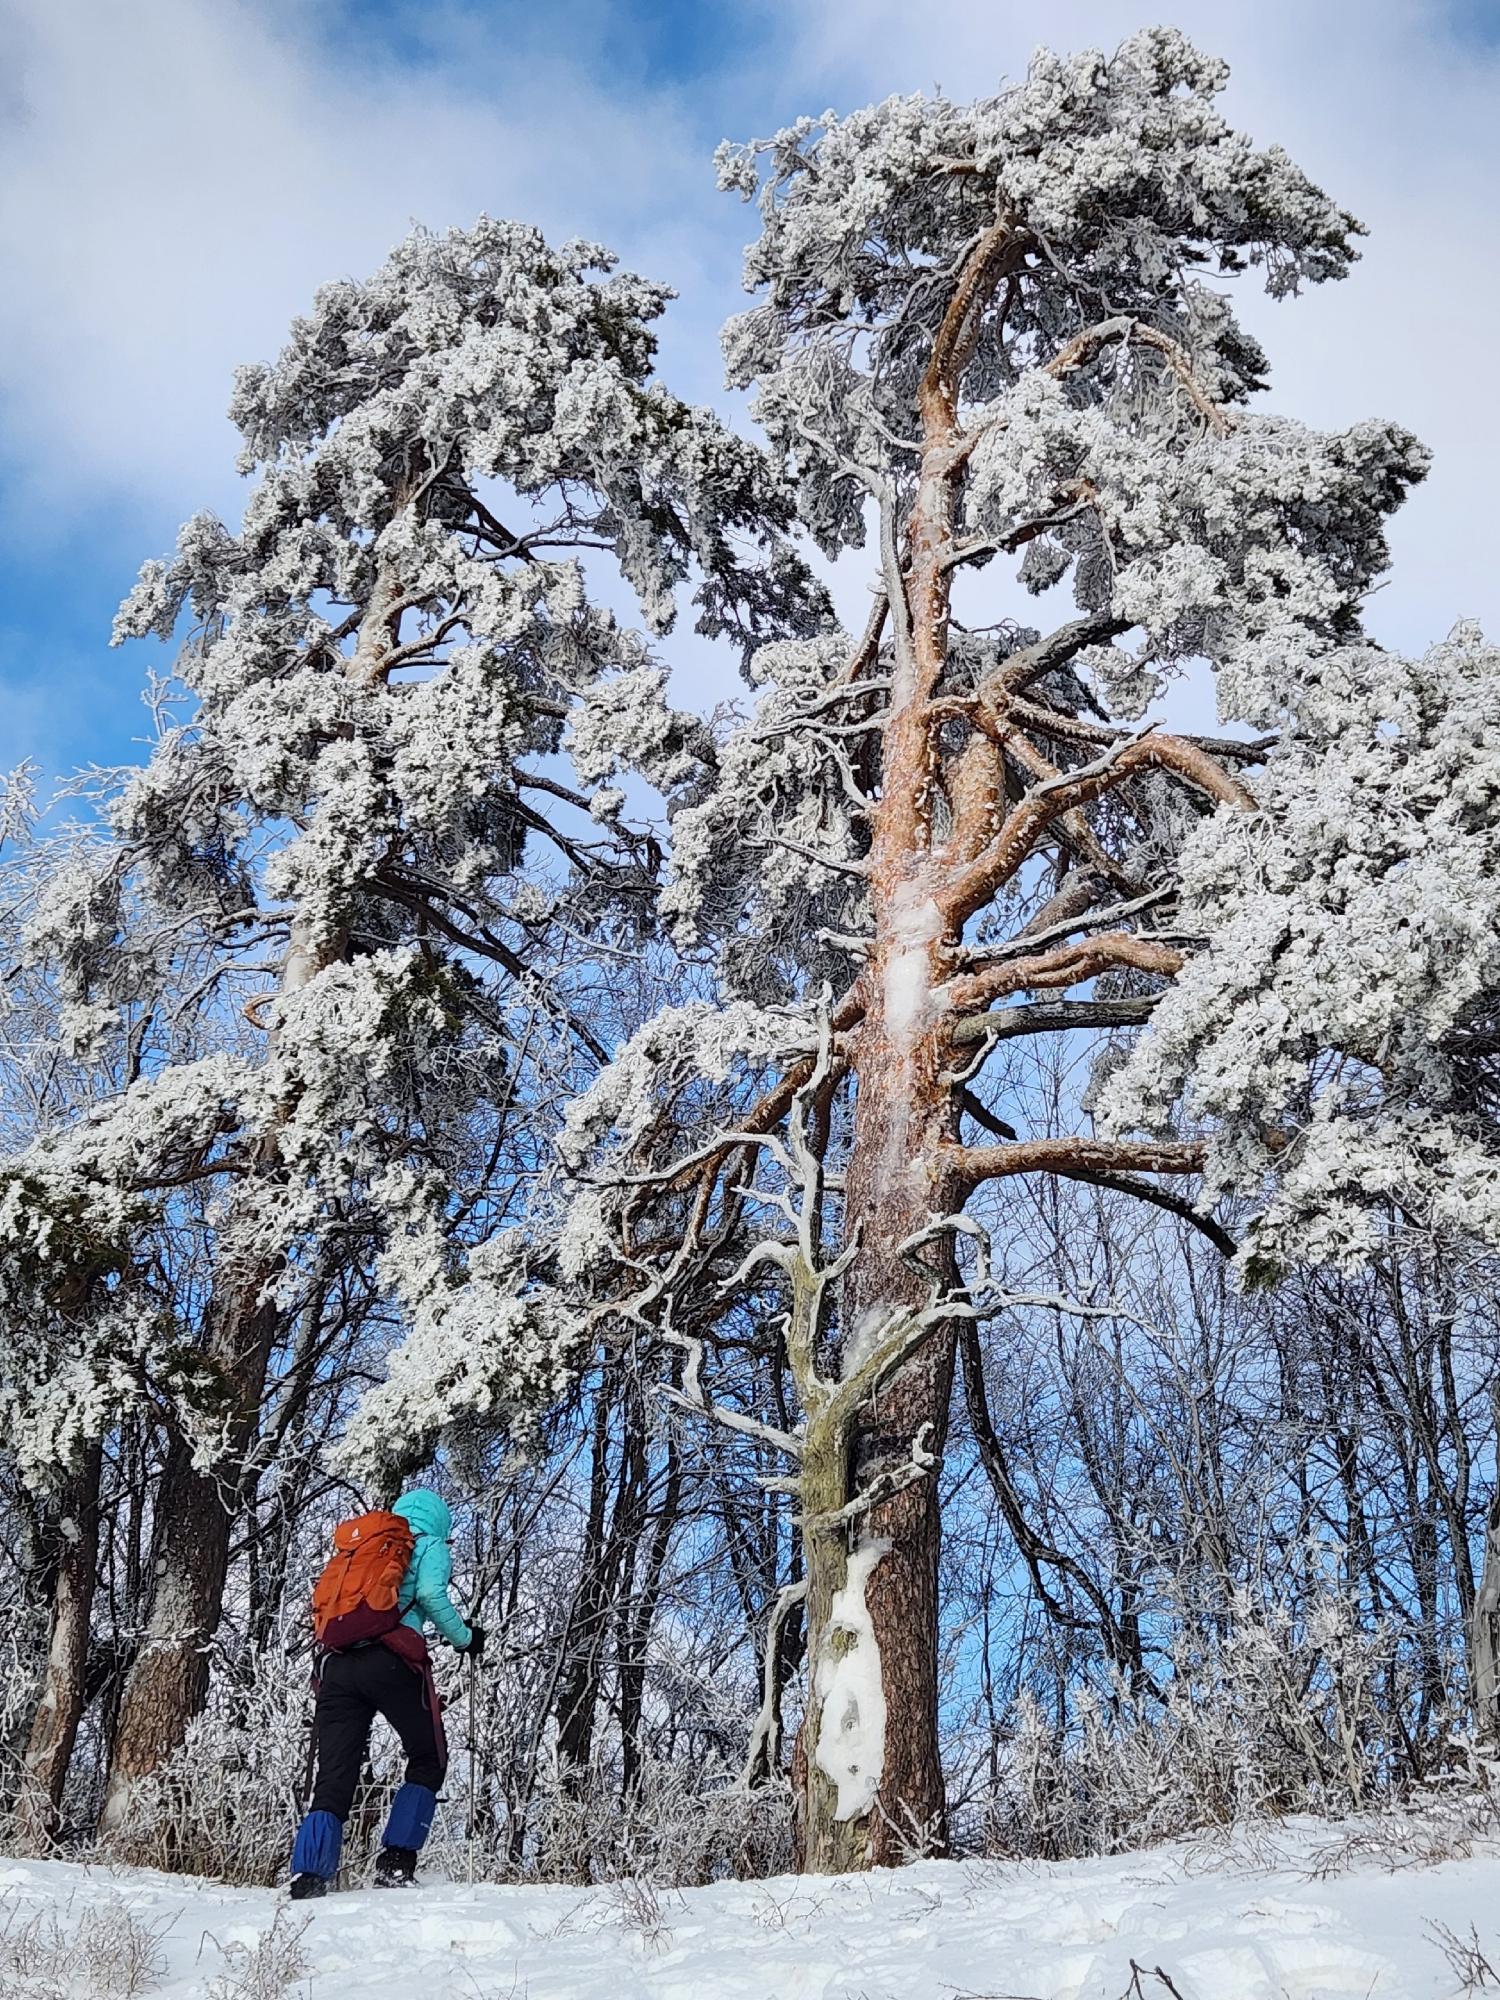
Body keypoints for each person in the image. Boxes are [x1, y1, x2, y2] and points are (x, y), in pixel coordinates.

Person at [288, 1488, 486, 1897]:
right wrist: (465, 1638)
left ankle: (309, 1874)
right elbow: (431, 1595)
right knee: (428, 1757)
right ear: (441, 1521)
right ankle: (395, 1864)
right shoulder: (428, 1545)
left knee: (334, 1773)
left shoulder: (361, 1551)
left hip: (338, 1664)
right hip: (393, 1661)